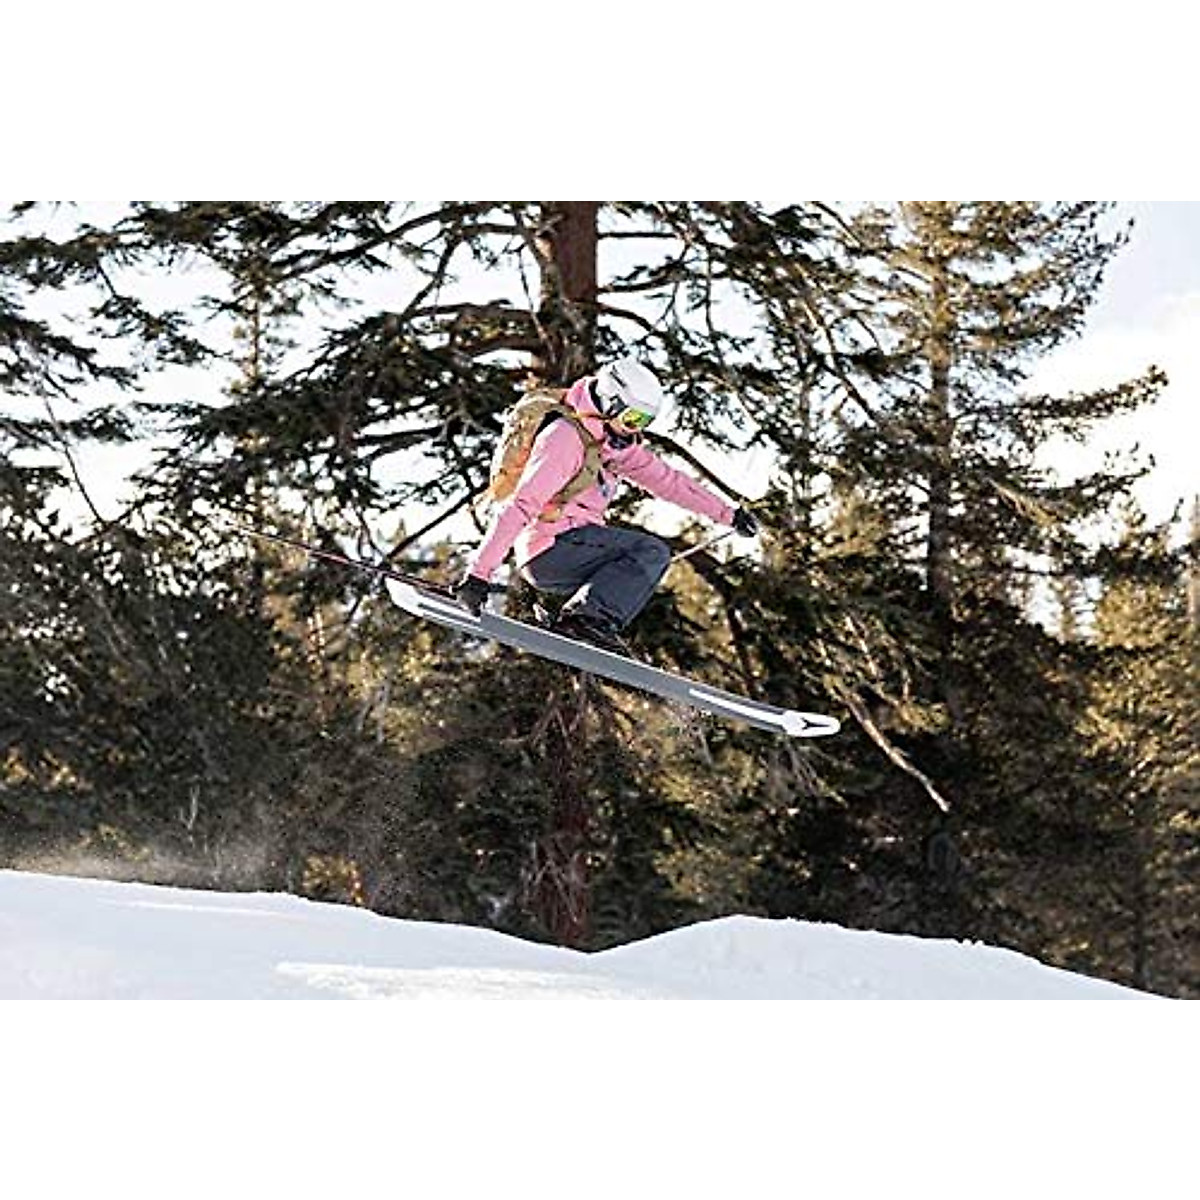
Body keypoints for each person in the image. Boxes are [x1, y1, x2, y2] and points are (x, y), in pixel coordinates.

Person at [454, 355, 758, 652]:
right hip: (550, 548)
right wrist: (479, 575)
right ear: (610, 402)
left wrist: (728, 514)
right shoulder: (565, 438)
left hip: (574, 547)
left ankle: (585, 621)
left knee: (642, 564)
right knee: (650, 552)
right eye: (632, 419)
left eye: (644, 422)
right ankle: (584, 620)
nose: (634, 429)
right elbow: (522, 505)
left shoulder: (616, 448)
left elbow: (671, 482)